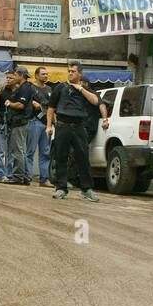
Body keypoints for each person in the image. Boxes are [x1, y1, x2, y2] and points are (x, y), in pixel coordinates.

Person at [46, 62, 102, 202]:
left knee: (83, 157)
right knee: (61, 157)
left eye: (73, 71)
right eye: (69, 71)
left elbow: (96, 101)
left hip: (79, 126)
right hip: (63, 125)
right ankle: (61, 188)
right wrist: (48, 126)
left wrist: (81, 89)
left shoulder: (84, 89)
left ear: (80, 74)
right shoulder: (60, 88)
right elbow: (51, 108)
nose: (70, 73)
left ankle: (86, 189)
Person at [4, 67, 39, 185]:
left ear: (20, 75)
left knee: (17, 150)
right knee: (21, 150)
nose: (14, 77)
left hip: (19, 123)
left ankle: (18, 177)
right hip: (20, 122)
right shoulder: (25, 87)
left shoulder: (25, 88)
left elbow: (20, 105)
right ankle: (23, 176)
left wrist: (9, 103)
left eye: (15, 75)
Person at [26, 67, 53, 187]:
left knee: (46, 152)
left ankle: (44, 179)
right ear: (36, 76)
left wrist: (52, 123)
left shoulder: (49, 89)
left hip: (47, 124)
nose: (46, 76)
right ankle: (28, 177)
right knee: (30, 151)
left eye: (47, 74)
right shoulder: (31, 88)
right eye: (43, 74)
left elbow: (52, 107)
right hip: (34, 122)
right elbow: (25, 101)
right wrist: (32, 102)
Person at [0, 70, 17, 183]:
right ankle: (0, 174)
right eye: (7, 77)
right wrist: (0, 91)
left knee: (12, 151)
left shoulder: (19, 91)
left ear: (16, 79)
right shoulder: (0, 89)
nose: (8, 79)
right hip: (2, 122)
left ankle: (9, 174)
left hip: (14, 123)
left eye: (11, 78)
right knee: (0, 150)